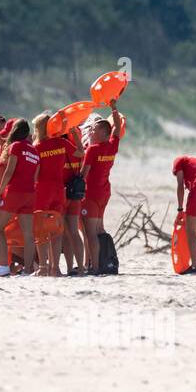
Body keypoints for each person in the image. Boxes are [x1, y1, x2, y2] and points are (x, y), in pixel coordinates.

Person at [79, 101, 124, 274]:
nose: (91, 132)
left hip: (91, 194)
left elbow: (83, 173)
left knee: (90, 233)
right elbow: (117, 128)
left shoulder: (93, 149)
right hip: (104, 193)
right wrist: (113, 108)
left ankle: (95, 267)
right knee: (97, 229)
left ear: (103, 132)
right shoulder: (112, 145)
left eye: (94, 130)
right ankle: (97, 264)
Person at [0, 118, 39, 277]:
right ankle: (28, 269)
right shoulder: (34, 151)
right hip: (29, 193)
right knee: (28, 234)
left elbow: (9, 172)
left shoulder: (15, 146)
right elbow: (35, 177)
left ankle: (3, 267)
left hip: (14, 192)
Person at [31, 113, 68, 277]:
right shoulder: (61, 143)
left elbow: (36, 174)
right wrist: (72, 132)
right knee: (57, 230)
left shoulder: (37, 147)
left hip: (42, 190)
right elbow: (80, 153)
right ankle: (56, 268)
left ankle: (43, 267)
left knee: (41, 230)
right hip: (59, 189)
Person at [60, 124, 85, 275]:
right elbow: (81, 154)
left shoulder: (59, 148)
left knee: (65, 233)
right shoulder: (77, 149)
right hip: (75, 192)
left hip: (62, 192)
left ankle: (70, 267)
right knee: (74, 231)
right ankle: (80, 268)